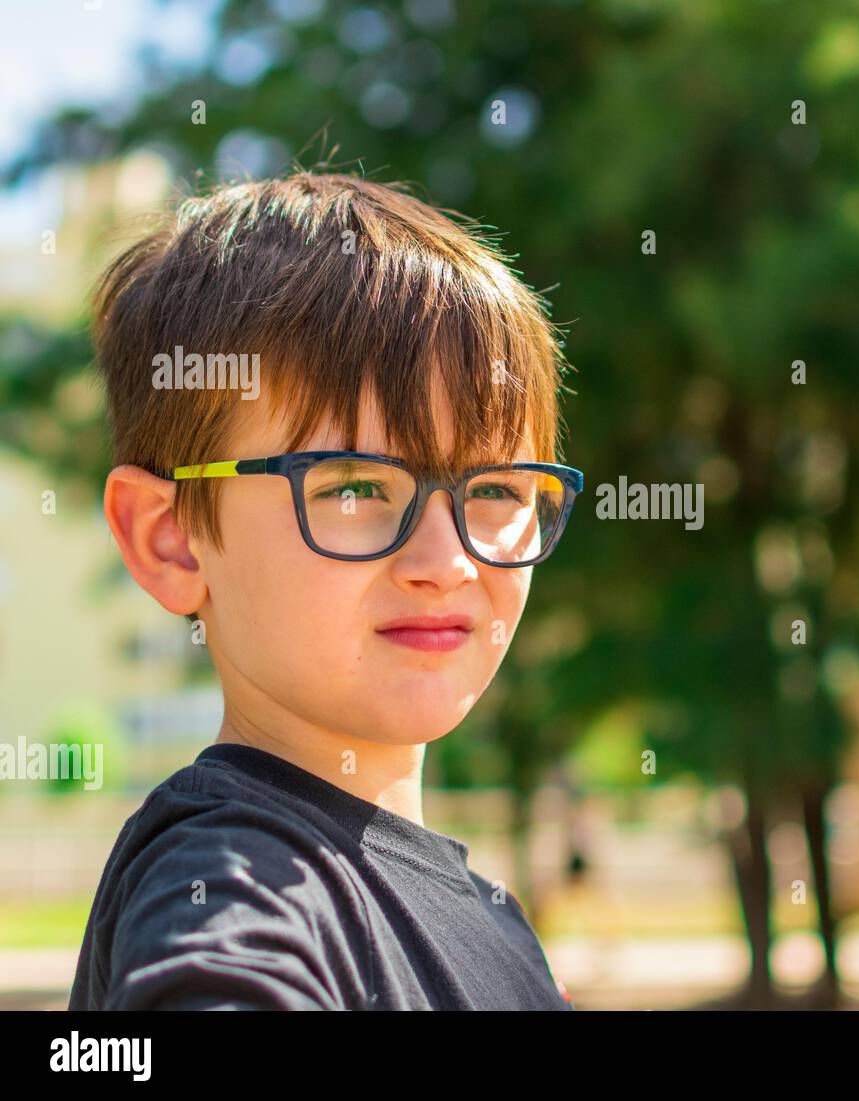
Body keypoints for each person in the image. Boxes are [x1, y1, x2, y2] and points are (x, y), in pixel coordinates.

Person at [67, 171, 582, 1010]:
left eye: (497, 489)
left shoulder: (492, 917)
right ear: (170, 538)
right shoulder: (234, 879)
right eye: (353, 487)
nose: (445, 559)